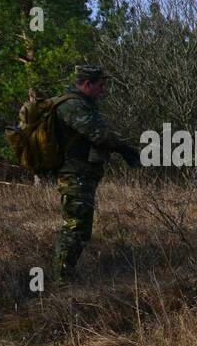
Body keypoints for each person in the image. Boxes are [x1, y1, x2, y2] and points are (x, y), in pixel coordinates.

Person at [50, 65, 141, 284]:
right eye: (101, 85)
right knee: (74, 226)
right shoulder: (72, 105)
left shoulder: (81, 104)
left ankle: (65, 275)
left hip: (81, 174)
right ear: (87, 84)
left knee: (80, 226)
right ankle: (62, 280)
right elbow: (98, 135)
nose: (104, 90)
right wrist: (125, 149)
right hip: (74, 174)